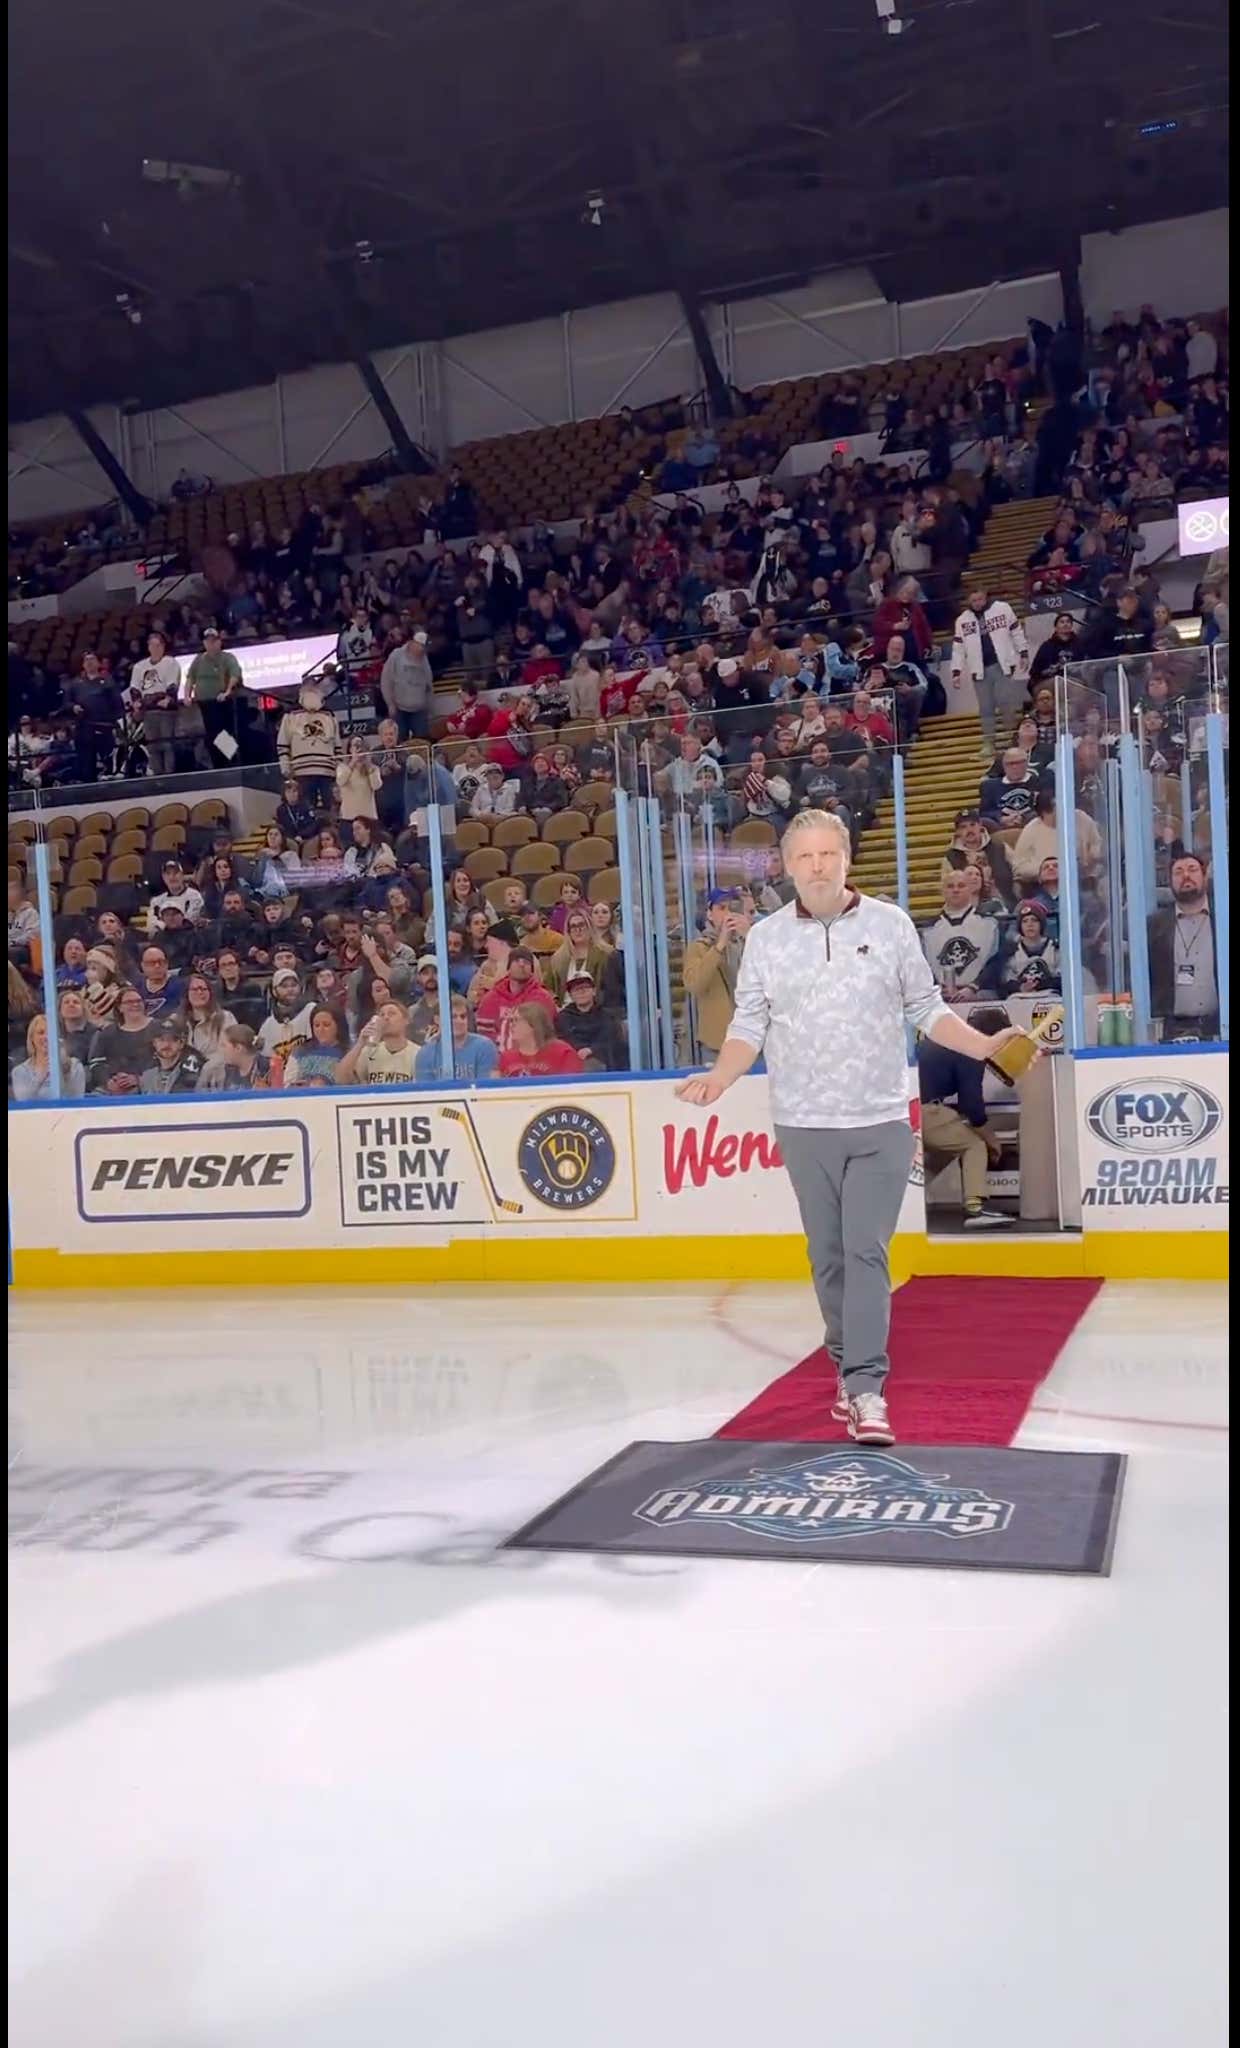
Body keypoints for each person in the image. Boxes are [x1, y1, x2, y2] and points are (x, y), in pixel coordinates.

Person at [675, 811, 1032, 1446]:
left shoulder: (890, 924)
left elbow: (926, 1008)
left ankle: (866, 1386)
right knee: (829, 1256)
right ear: (787, 866)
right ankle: (847, 1363)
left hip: (880, 1120)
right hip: (803, 1123)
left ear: (846, 859)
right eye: (804, 857)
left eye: (827, 855)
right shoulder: (766, 940)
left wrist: (981, 1046)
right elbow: (748, 1024)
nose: (817, 867)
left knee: (866, 1251)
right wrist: (721, 1077)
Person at [917, 1017, 1014, 1231]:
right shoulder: (972, 1049)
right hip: (926, 1110)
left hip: (906, 1109)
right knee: (974, 1146)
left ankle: (909, 1199)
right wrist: (991, 1139)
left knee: (948, 1147)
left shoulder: (944, 1040)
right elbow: (972, 1106)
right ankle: (975, 1209)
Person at [950, 585, 1030, 760]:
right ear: (968, 601)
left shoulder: (1003, 608)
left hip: (1003, 665)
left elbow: (1016, 631)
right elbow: (958, 648)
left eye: (980, 599)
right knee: (985, 708)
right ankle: (988, 743)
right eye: (973, 601)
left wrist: (1023, 652)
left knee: (1006, 702)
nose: (977, 603)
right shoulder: (962, 620)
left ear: (985, 596)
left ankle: (1013, 738)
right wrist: (956, 671)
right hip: (979, 670)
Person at [1148, 853, 1218, 1040]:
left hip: (1220, 1026)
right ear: (1170, 882)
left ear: (1205, 876)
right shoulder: (1155, 926)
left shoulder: (1222, 917)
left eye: (1192, 869)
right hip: (1173, 1030)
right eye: (1178, 872)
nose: (1186, 875)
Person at [682, 889, 750, 1057]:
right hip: (717, 1043)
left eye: (733, 908)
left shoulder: (752, 942)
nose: (728, 914)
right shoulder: (699, 948)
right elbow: (694, 984)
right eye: (721, 908)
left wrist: (751, 938)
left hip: (752, 1039)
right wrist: (719, 946)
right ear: (709, 914)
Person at [921, 869, 1002, 997]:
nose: (955, 890)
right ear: (942, 891)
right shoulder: (928, 930)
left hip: (980, 995)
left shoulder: (989, 924)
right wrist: (937, 989)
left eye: (961, 885)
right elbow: (923, 967)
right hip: (940, 997)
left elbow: (996, 962)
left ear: (970, 889)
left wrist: (974, 987)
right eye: (950, 886)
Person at [474, 946, 557, 1050]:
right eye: (517, 961)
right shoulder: (490, 999)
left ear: (532, 971)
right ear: (508, 968)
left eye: (526, 962)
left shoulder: (542, 998)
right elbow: (484, 1037)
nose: (521, 965)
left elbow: (545, 1035)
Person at [414, 993, 499, 1082]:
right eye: (453, 1017)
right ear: (437, 1020)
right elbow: (426, 1089)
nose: (459, 1021)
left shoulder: (484, 1047)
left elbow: (486, 1086)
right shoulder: (426, 1054)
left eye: (463, 1016)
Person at [556, 969, 625, 1070]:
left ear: (594, 991)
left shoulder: (607, 1016)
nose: (581, 992)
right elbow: (564, 1040)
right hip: (573, 1062)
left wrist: (592, 1050)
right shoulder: (563, 1018)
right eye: (576, 989)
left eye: (585, 987)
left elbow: (611, 1040)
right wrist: (580, 1050)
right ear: (571, 995)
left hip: (603, 1063)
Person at [336, 1000, 418, 1084]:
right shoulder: (369, 1051)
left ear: (406, 1020)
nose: (386, 1017)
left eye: (391, 1013)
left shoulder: (417, 1053)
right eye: (382, 1015)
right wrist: (360, 1043)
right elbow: (341, 1079)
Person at [497, 1001, 586, 1078]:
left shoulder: (563, 1053)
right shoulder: (507, 1057)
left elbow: (572, 1086)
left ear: (534, 1024)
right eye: (511, 1020)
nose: (512, 1025)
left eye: (516, 1020)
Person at [11, 1013, 87, 1101]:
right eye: (41, 1033)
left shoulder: (75, 1066)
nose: (46, 1037)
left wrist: (65, 1069)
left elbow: (76, 1098)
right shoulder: (20, 1071)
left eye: (51, 1033)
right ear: (32, 1038)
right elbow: (23, 1101)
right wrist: (40, 1076)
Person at [197, 1021, 276, 1090]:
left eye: (224, 1045)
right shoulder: (225, 1070)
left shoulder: (268, 1068)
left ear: (238, 1048)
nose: (221, 1050)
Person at [139, 1015, 205, 1095]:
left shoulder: (194, 1071)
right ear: (154, 1043)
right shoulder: (147, 1076)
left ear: (181, 1043)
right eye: (161, 1040)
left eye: (173, 1040)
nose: (166, 1045)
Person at [285, 1007, 349, 1086]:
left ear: (338, 1026)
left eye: (326, 1025)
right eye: (317, 1025)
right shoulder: (300, 1051)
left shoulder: (348, 1052)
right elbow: (287, 1084)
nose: (321, 1029)